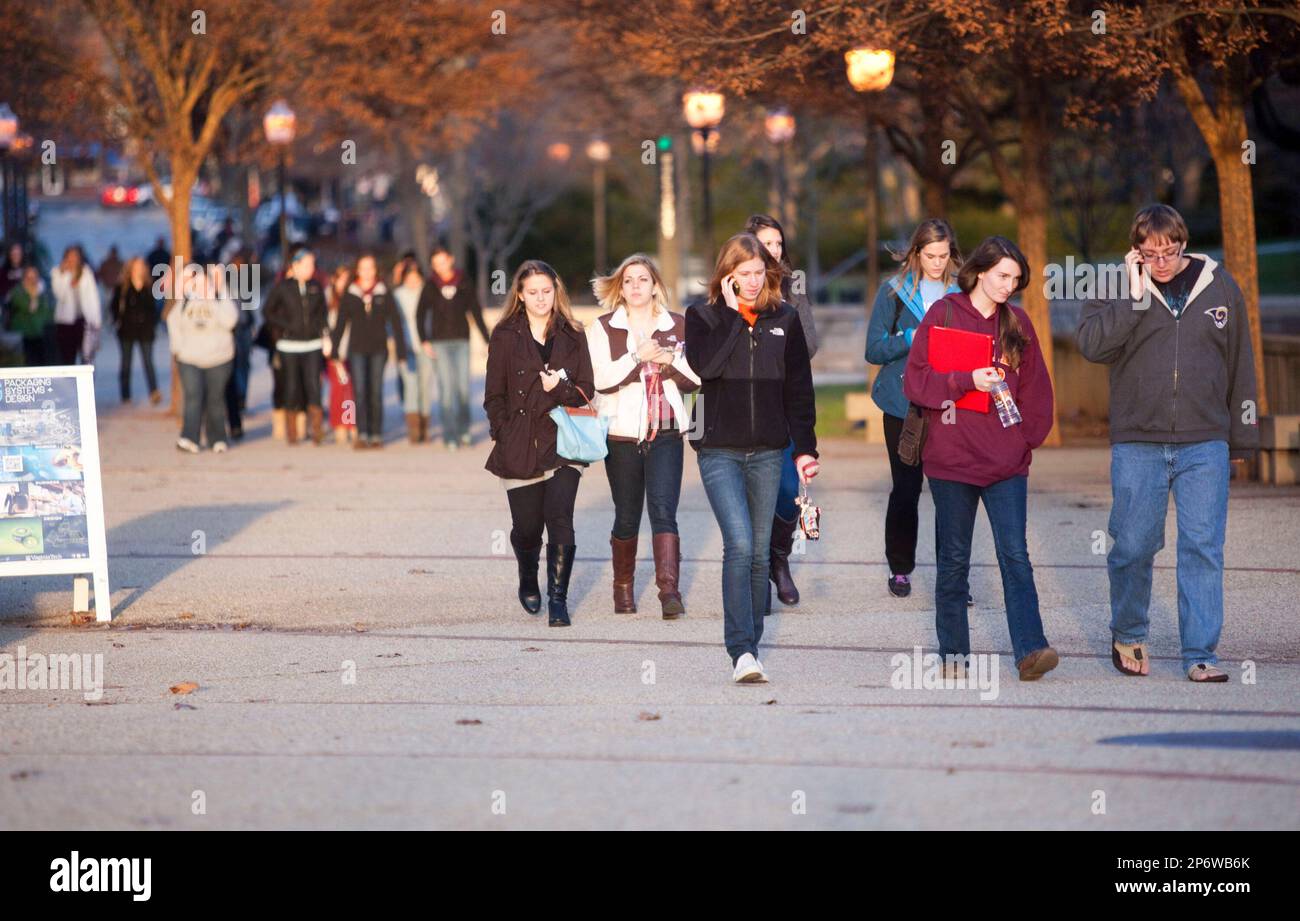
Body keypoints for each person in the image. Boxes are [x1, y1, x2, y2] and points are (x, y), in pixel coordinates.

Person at [1077, 204, 1258, 683]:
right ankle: (1129, 631)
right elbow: (1093, 345)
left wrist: (1242, 435)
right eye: (1150, 253)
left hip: (1206, 440)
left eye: (1170, 251)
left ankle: (1200, 652)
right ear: (1135, 250)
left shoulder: (1219, 285)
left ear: (1183, 242)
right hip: (1138, 439)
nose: (1161, 261)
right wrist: (1135, 298)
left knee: (1202, 546)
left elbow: (1241, 362)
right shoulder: (1113, 285)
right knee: (1134, 545)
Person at [903, 236, 1058, 682]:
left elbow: (1037, 392)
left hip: (1006, 464)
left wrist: (1023, 442)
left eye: (1015, 279)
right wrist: (965, 379)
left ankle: (1031, 650)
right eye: (1002, 275)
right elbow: (917, 382)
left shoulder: (1019, 323)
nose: (1008, 285)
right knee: (953, 559)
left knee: (1015, 555)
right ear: (981, 270)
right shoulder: (944, 314)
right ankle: (953, 654)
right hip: (951, 460)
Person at [685, 233, 819, 684]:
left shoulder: (785, 317)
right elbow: (707, 369)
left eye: (759, 273)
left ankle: (752, 648)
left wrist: (805, 449)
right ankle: (740, 650)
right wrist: (729, 317)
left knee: (760, 554)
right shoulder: (701, 317)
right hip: (719, 450)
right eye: (743, 274)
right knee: (739, 544)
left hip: (768, 450)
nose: (753, 281)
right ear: (727, 276)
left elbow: (798, 388)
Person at [587, 254, 701, 618]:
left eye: (643, 279)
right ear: (620, 288)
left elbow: (697, 378)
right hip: (621, 434)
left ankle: (669, 591)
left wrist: (670, 360)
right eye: (629, 280)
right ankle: (623, 586)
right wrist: (638, 356)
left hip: (666, 431)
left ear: (655, 286)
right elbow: (600, 380)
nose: (636, 286)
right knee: (626, 515)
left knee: (664, 511)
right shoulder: (603, 327)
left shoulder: (677, 325)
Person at [484, 260, 594, 627]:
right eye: (533, 292)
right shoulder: (504, 335)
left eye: (547, 290)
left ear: (556, 291)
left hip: (564, 440)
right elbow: (493, 395)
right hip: (520, 442)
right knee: (528, 527)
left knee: (560, 517)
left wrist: (558, 389)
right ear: (520, 294)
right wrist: (503, 430)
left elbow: (586, 390)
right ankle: (528, 575)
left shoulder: (574, 333)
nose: (541, 298)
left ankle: (558, 600)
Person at [866, 218, 962, 598]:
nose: (937, 263)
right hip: (902, 404)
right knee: (906, 487)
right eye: (930, 255)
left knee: (950, 492)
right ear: (916, 253)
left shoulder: (961, 293)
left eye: (943, 255)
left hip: (950, 403)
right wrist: (909, 336)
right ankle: (900, 568)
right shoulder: (892, 292)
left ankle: (952, 578)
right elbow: (873, 349)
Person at [745, 214, 819, 609]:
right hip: (745, 411)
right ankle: (755, 575)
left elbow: (809, 343)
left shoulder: (792, 285)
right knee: (750, 496)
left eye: (778, 243)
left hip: (785, 404)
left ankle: (779, 561)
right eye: (765, 243)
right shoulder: (734, 286)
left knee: (788, 490)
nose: (774, 250)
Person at [330, 254, 407, 449]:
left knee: (376, 391)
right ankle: (362, 433)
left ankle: (376, 434)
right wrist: (335, 349)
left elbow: (396, 322)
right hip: (356, 349)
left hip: (378, 349)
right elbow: (340, 323)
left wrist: (401, 350)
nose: (367, 272)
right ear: (357, 270)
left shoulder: (383, 292)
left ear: (375, 270)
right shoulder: (351, 293)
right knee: (360, 392)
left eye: (370, 268)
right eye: (363, 268)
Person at [417, 246, 491, 449]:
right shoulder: (430, 285)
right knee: (446, 388)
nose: (440, 266)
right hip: (439, 342)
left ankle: (464, 430)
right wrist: (424, 340)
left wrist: (487, 339)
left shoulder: (464, 280)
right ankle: (449, 434)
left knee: (462, 388)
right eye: (436, 264)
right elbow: (420, 313)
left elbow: (475, 310)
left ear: (450, 259)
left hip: (461, 341)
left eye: (443, 261)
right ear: (433, 265)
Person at [167, 265, 239, 453]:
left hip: (219, 359)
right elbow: (172, 322)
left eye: (205, 283)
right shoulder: (186, 301)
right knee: (193, 398)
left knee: (215, 399)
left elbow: (231, 321)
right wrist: (178, 348)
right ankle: (189, 438)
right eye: (197, 284)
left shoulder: (221, 299)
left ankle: (217, 438)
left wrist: (216, 295)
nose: (201, 288)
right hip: (190, 359)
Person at [263, 247, 328, 445]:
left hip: (313, 344)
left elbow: (322, 314)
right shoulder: (283, 287)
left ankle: (316, 430)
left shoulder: (316, 286)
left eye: (312, 264)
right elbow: (267, 312)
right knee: (291, 386)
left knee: (314, 386)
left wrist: (323, 332)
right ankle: (292, 432)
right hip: (289, 345)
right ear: (295, 265)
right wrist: (286, 326)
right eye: (307, 264)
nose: (311, 268)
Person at [108, 256, 161, 404]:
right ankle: (125, 395)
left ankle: (154, 391)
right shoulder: (122, 287)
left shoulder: (149, 286)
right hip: (127, 330)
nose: (139, 269)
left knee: (148, 362)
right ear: (130, 269)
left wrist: (152, 323)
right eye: (136, 266)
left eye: (141, 266)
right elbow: (114, 307)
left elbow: (154, 309)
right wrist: (118, 321)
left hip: (145, 331)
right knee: (126, 363)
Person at [394, 262, 434, 443]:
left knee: (425, 386)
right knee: (410, 386)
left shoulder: (427, 292)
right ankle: (414, 429)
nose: (412, 281)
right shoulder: (397, 295)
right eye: (409, 277)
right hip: (405, 345)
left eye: (416, 277)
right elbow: (392, 322)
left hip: (426, 344)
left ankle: (425, 427)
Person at [49, 245, 101, 365]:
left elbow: (93, 297)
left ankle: (86, 382)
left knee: (87, 355)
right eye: (70, 257)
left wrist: (97, 321)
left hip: (84, 320)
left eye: (75, 257)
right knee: (67, 355)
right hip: (65, 321)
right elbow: (59, 294)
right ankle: (69, 382)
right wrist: (65, 275)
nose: (72, 260)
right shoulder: (58, 272)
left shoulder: (86, 272)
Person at [324, 265, 357, 445]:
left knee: (350, 390)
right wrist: (328, 346)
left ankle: (351, 422)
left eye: (347, 279)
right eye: (340, 278)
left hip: (353, 348)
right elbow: (323, 324)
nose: (343, 283)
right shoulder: (328, 298)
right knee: (338, 390)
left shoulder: (353, 297)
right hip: (334, 350)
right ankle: (339, 424)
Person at [3, 266, 53, 366]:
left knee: (40, 362)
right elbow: (28, 307)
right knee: (24, 362)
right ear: (24, 278)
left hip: (40, 335)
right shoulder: (17, 291)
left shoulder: (44, 293)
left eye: (34, 278)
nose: (32, 281)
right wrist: (34, 296)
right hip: (21, 336)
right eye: (29, 278)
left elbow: (48, 313)